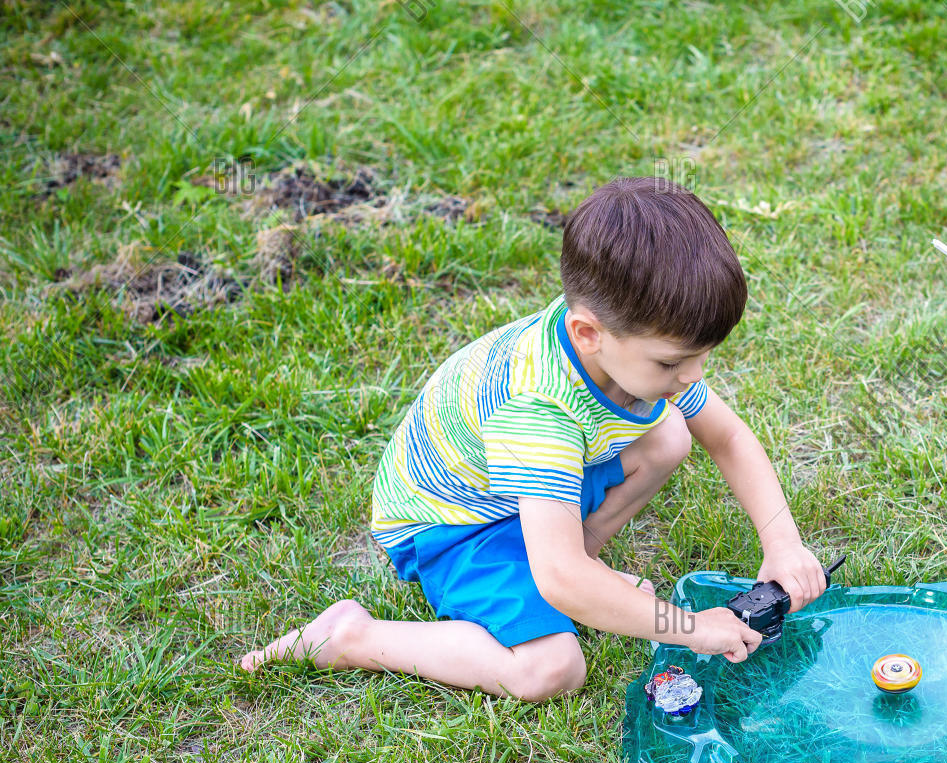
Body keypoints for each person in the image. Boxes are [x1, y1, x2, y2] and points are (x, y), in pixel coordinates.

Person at [242, 178, 828, 699]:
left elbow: (727, 438)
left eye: (703, 356)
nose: (694, 376)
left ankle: (577, 564)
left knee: (668, 436)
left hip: (519, 486)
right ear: (587, 333)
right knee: (550, 669)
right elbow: (560, 579)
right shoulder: (537, 408)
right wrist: (689, 627)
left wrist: (782, 543)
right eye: (673, 362)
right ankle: (352, 636)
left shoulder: (619, 344)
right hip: (455, 524)